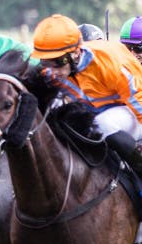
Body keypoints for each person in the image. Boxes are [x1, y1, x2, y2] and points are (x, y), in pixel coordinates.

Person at [32, 14, 142, 172]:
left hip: (133, 111)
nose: (51, 71)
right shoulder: (51, 72)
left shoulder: (111, 64)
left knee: (102, 124)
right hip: (98, 112)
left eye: (58, 62)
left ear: (76, 53)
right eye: (45, 62)